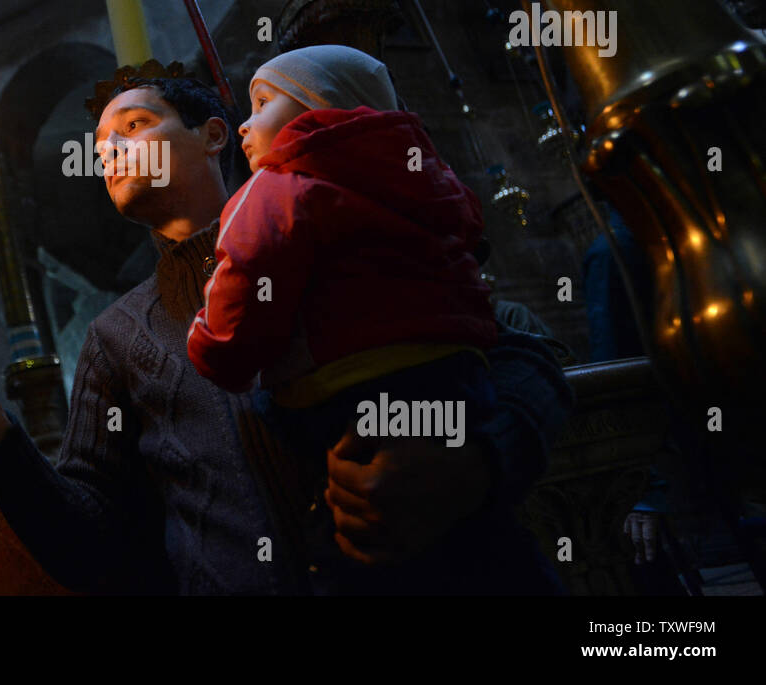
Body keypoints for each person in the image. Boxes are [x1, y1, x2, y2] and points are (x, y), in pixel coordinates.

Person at [0, 67, 574, 593]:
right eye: (100, 147)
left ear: (215, 133)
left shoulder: (328, 220)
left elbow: (518, 351)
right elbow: (89, 541)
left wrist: (475, 460)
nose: (111, 151)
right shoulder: (116, 337)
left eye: (133, 125)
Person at [186, 44, 561, 593]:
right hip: (460, 379)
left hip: (348, 402)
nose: (247, 124)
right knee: (477, 550)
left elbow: (240, 307)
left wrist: (207, 343)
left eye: (262, 103)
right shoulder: (430, 180)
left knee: (371, 542)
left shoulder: (273, 188)